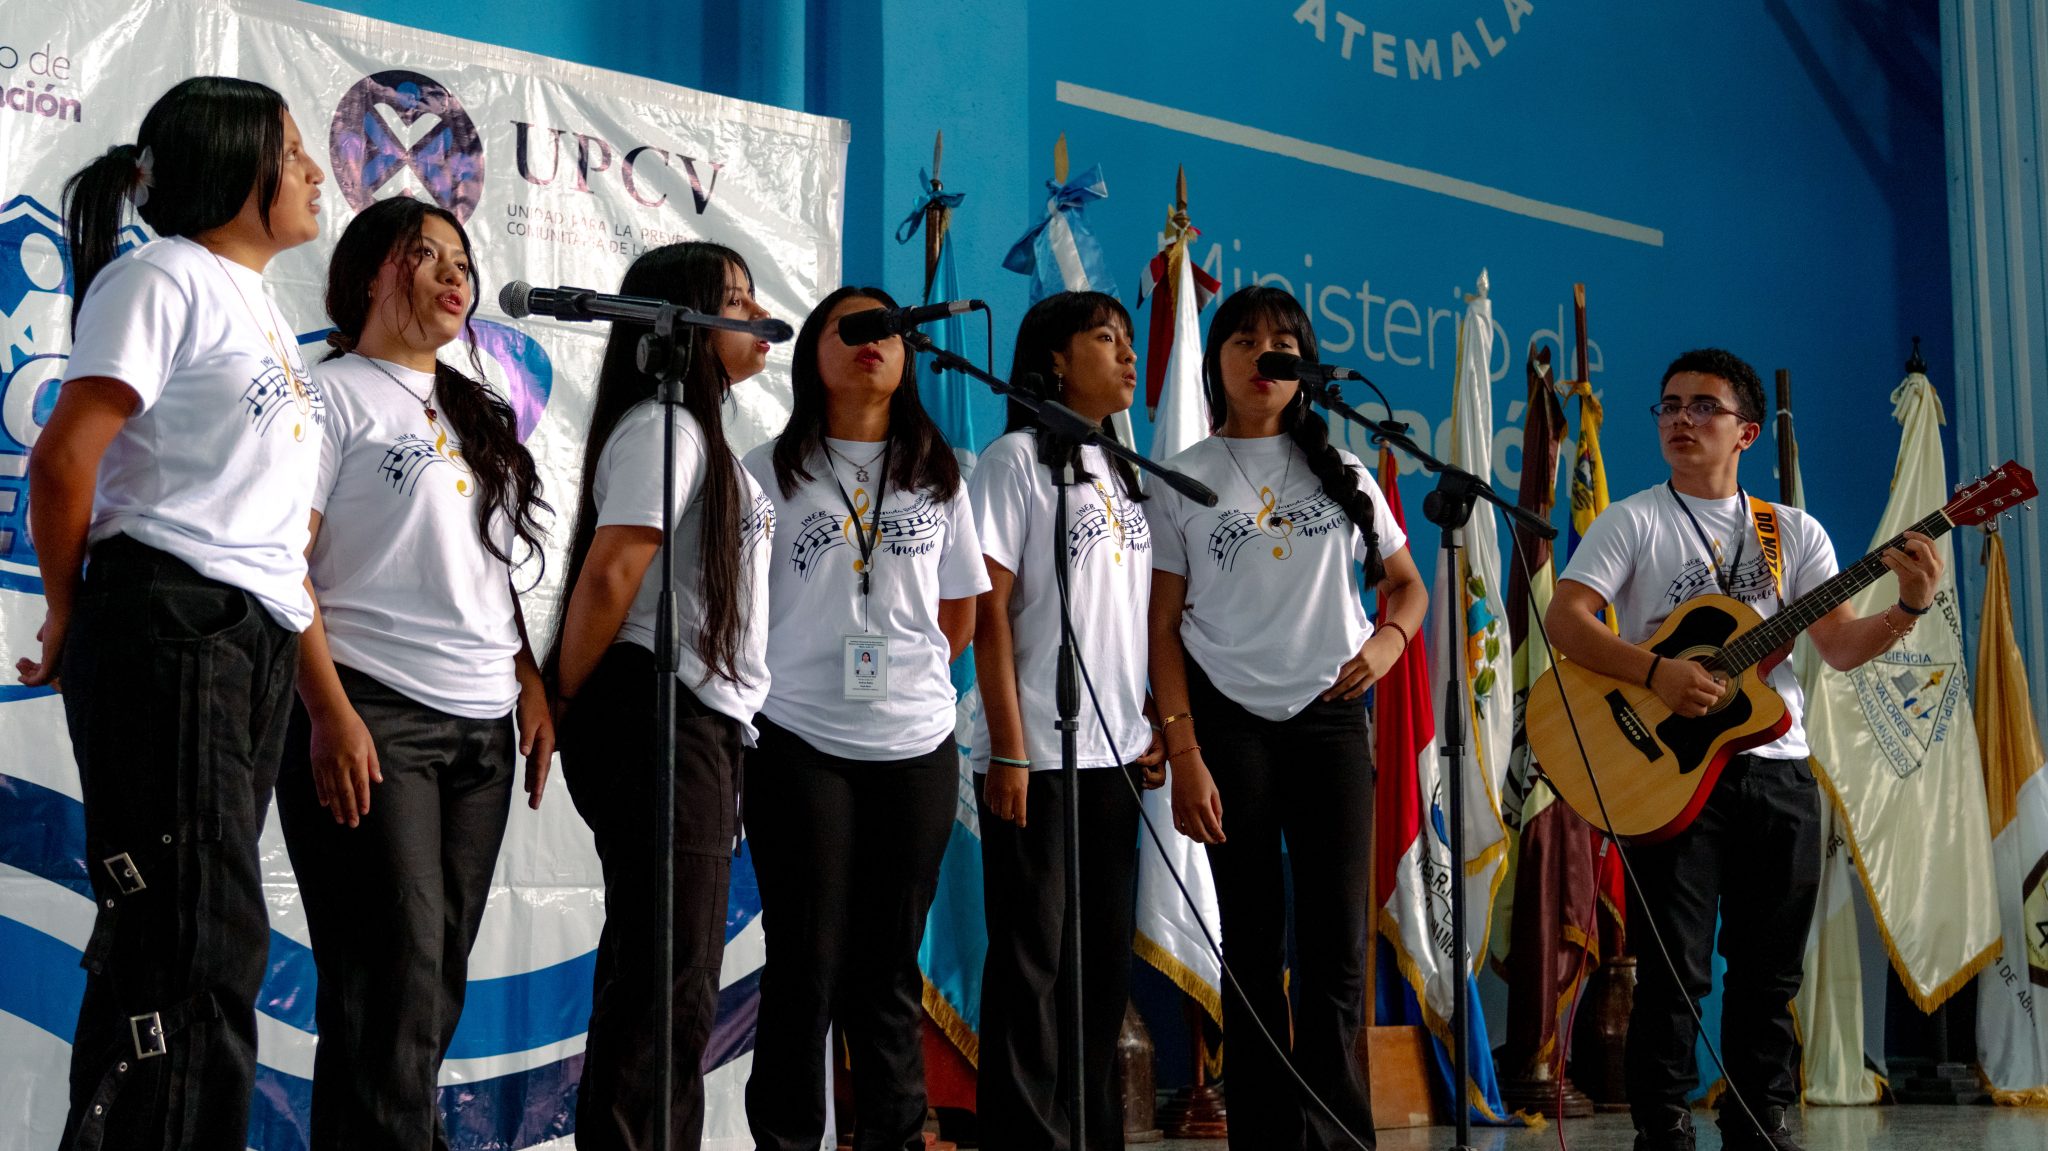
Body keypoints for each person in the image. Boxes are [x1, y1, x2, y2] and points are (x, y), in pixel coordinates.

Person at [23, 75, 325, 1149]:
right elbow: (64, 461)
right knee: (198, 941)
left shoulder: (259, 307)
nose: (314, 172)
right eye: (292, 152)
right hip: (173, 622)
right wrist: (70, 613)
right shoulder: (163, 277)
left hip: (246, 635)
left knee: (182, 938)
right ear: (236, 164)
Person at [1545, 348, 1944, 1151]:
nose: (1681, 419)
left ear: (1747, 431)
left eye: (1702, 406)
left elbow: (1834, 646)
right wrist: (1656, 669)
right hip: (1671, 776)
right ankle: (1662, 1128)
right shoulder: (1634, 519)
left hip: (1779, 771)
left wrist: (1907, 605)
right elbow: (1567, 621)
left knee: (1769, 975)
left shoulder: (1792, 532)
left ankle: (1762, 1120)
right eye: (1668, 405)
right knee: (1677, 973)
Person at [274, 195, 554, 1149]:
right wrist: (328, 711)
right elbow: (282, 564)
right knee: (387, 976)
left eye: (461, 260)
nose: (452, 274)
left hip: (481, 725)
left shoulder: (474, 404)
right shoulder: (328, 393)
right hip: (373, 711)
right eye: (423, 255)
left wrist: (530, 681)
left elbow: (492, 569)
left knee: (430, 980)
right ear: (366, 275)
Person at [1149, 285, 1427, 1151]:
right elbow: (1161, 626)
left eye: (1281, 341)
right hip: (1229, 724)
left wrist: (1386, 645)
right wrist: (1184, 748)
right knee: (1254, 938)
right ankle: (1266, 1135)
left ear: (1303, 363)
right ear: (1217, 360)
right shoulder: (1183, 473)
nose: (1262, 355)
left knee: (1337, 944)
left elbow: (1409, 585)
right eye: (1243, 339)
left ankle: (1338, 1134)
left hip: (1331, 721)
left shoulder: (1342, 472)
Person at [740, 286, 989, 1151]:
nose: (872, 342)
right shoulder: (765, 470)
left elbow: (958, 615)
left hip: (915, 748)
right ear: (814, 351)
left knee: (888, 971)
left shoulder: (940, 472)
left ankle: (893, 1135)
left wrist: (906, 682)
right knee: (804, 966)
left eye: (887, 329)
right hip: (797, 740)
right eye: (851, 328)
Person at [546, 241, 777, 1151]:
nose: (756, 313)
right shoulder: (668, 427)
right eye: (733, 298)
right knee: (662, 977)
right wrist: (561, 701)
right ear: (681, 319)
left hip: (699, 721)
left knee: (677, 978)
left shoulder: (703, 434)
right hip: (654, 709)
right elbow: (611, 575)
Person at [970, 290, 1165, 1151]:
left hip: (1116, 758)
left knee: (1097, 969)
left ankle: (1093, 1135)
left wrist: (1149, 717)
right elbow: (988, 612)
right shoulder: (1013, 461)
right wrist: (1009, 747)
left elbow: (1127, 620)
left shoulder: (1122, 471)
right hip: (1036, 756)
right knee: (1032, 965)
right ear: (1053, 361)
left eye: (1130, 340)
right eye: (1106, 339)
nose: (1128, 356)